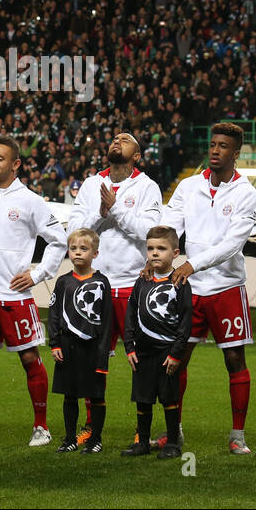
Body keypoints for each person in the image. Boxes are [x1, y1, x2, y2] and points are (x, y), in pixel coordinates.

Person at [159, 121, 256, 454]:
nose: (215, 150)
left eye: (223, 146)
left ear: (236, 152)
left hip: (227, 288)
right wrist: (159, 253)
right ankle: (173, 433)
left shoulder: (247, 194)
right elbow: (171, 225)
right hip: (191, 290)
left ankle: (237, 436)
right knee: (176, 360)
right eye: (213, 144)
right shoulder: (189, 187)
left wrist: (192, 263)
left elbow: (233, 244)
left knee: (234, 360)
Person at [0, 136, 67, 446]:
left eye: (0, 158)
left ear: (16, 164)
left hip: (15, 296)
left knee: (29, 359)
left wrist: (37, 274)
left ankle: (41, 426)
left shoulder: (31, 200)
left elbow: (58, 240)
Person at [64, 132, 162, 444]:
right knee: (94, 361)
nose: (117, 141)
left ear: (138, 156)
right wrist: (102, 212)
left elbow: (151, 231)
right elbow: (75, 231)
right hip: (97, 285)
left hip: (134, 284)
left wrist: (116, 211)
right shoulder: (91, 185)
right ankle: (92, 428)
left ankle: (141, 430)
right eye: (115, 138)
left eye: (126, 139)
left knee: (141, 360)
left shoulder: (147, 187)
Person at [121, 225, 192, 459]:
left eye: (161, 248)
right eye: (150, 248)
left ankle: (173, 442)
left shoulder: (180, 282)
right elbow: (131, 314)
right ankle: (142, 442)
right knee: (142, 398)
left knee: (169, 398)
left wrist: (176, 353)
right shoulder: (142, 281)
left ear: (175, 253)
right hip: (142, 352)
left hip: (166, 352)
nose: (154, 253)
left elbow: (185, 322)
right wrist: (129, 346)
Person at [49, 228, 113, 453]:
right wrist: (54, 343)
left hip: (93, 348)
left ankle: (96, 439)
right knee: (70, 394)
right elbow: (54, 314)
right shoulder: (63, 282)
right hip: (68, 348)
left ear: (95, 253)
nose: (77, 253)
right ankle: (69, 439)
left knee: (96, 395)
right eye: (73, 248)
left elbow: (107, 321)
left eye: (83, 249)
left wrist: (104, 351)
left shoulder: (102, 282)